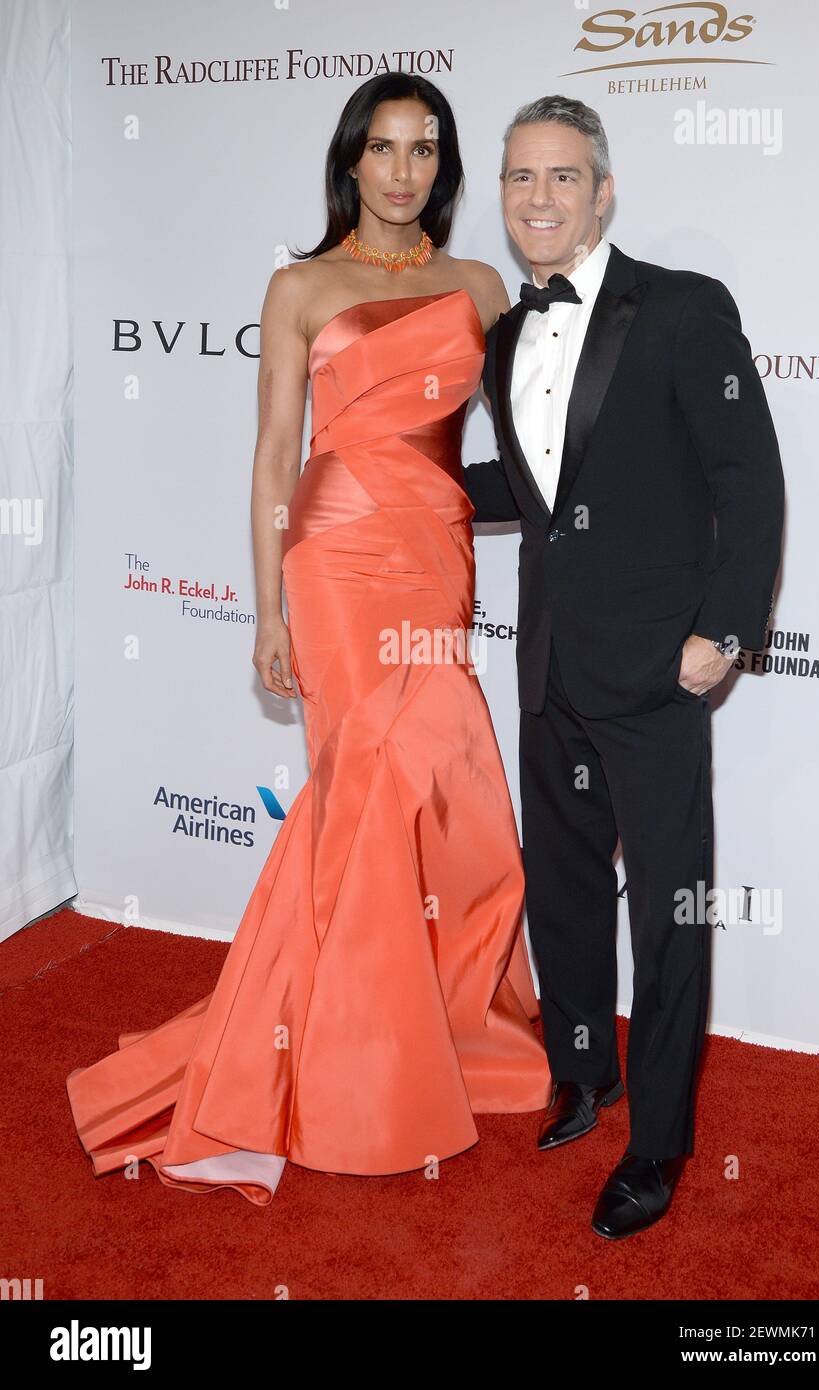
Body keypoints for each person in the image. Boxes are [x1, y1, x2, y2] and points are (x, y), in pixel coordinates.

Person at [65, 74, 553, 1206]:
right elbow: (274, 451)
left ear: (444, 165)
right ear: (350, 162)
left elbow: (536, 434)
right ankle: (338, 1070)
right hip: (332, 560)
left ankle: (420, 1031)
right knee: (363, 791)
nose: (402, 171)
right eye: (381, 149)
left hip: (433, 552)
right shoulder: (297, 283)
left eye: (423, 149)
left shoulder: (480, 285)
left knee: (447, 791)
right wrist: (268, 608)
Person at [463, 95, 784, 1239]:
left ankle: (657, 1142)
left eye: (560, 176)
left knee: (664, 910)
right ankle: (582, 1070)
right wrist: (409, 491)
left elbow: (748, 481)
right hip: (547, 665)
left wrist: (726, 628)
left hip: (657, 671)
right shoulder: (505, 337)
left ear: (601, 192)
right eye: (516, 178)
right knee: (557, 891)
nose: (537, 198)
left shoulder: (684, 312)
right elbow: (536, 492)